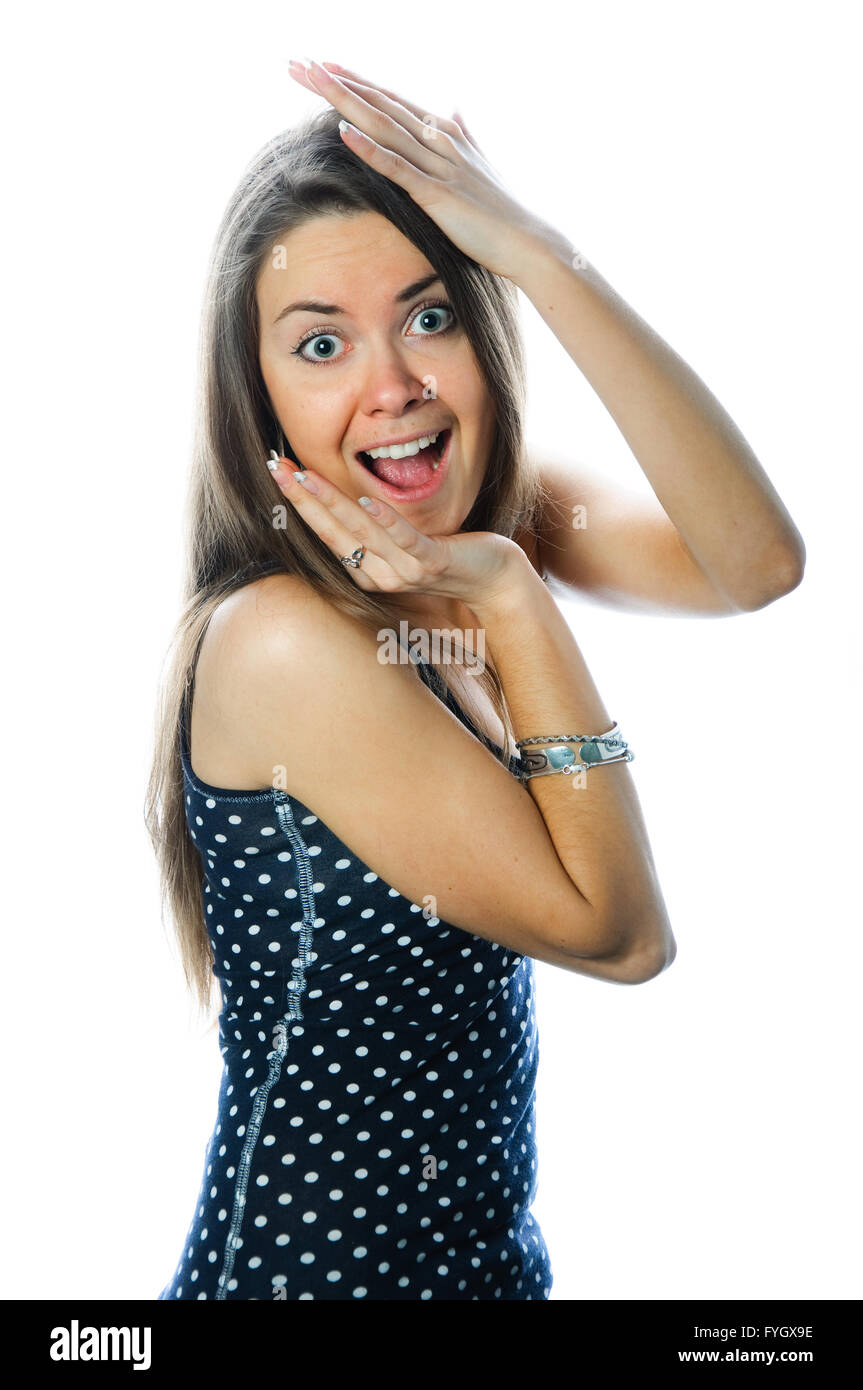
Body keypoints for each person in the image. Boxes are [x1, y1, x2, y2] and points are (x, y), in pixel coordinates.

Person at [146, 60, 805, 1301]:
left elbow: (755, 561)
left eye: (432, 314)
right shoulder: (280, 641)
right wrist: (509, 595)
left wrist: (542, 254)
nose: (391, 384)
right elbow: (619, 934)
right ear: (262, 401)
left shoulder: (483, 524)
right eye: (322, 344)